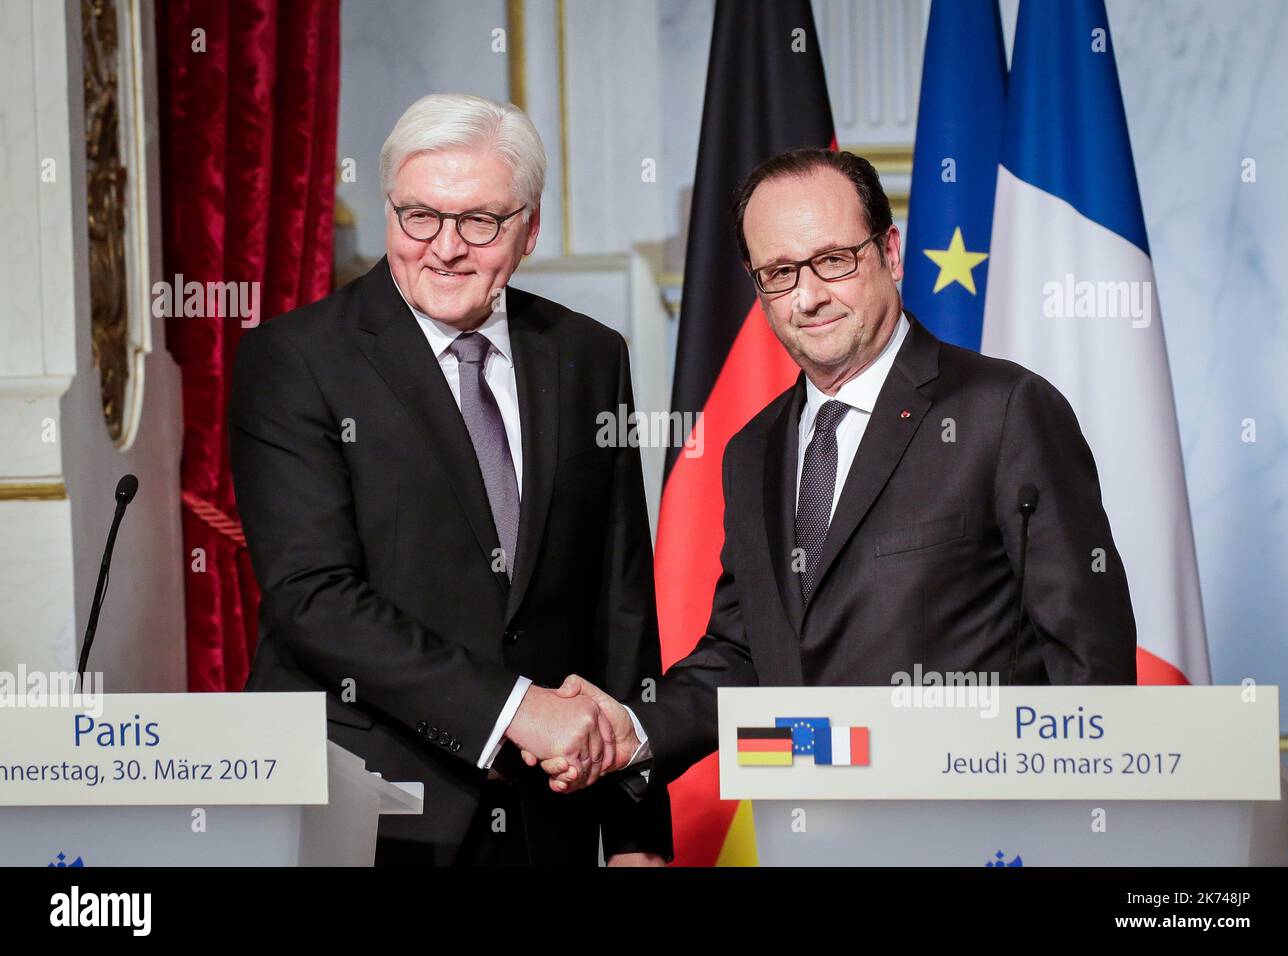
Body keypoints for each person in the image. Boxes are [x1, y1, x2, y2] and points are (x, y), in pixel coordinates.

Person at [526, 147, 1138, 794]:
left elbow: (1088, 658)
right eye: (780, 272)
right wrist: (633, 728)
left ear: (890, 254)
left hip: (982, 832)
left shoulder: (1005, 410)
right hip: (806, 830)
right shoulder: (752, 450)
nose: (809, 297)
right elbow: (743, 656)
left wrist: (1086, 830)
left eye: (833, 261)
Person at [229, 93, 670, 865]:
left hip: (548, 815)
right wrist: (514, 710)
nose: (445, 248)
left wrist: (637, 826)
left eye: (480, 221)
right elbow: (313, 597)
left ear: (530, 229)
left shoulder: (591, 357)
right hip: (365, 807)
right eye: (419, 217)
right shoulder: (295, 361)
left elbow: (622, 601)